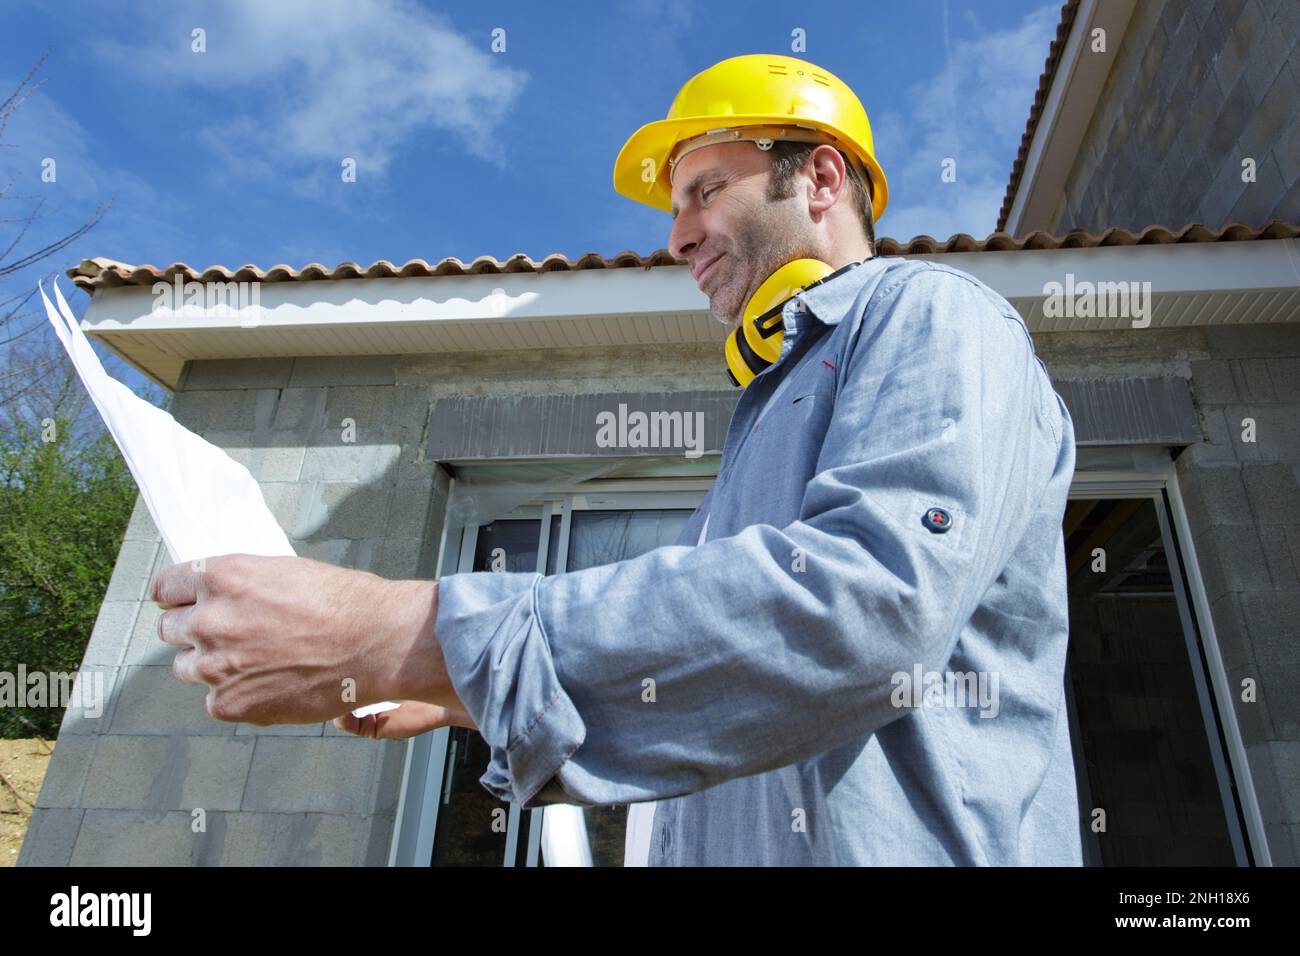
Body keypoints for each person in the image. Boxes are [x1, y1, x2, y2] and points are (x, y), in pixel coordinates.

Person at [149, 53, 1082, 865]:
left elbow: (869, 607)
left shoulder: (932, 315)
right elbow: (732, 667)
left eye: (707, 189)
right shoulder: (765, 418)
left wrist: (400, 635)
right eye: (677, 205)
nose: (677, 235)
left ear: (822, 179)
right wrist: (458, 690)